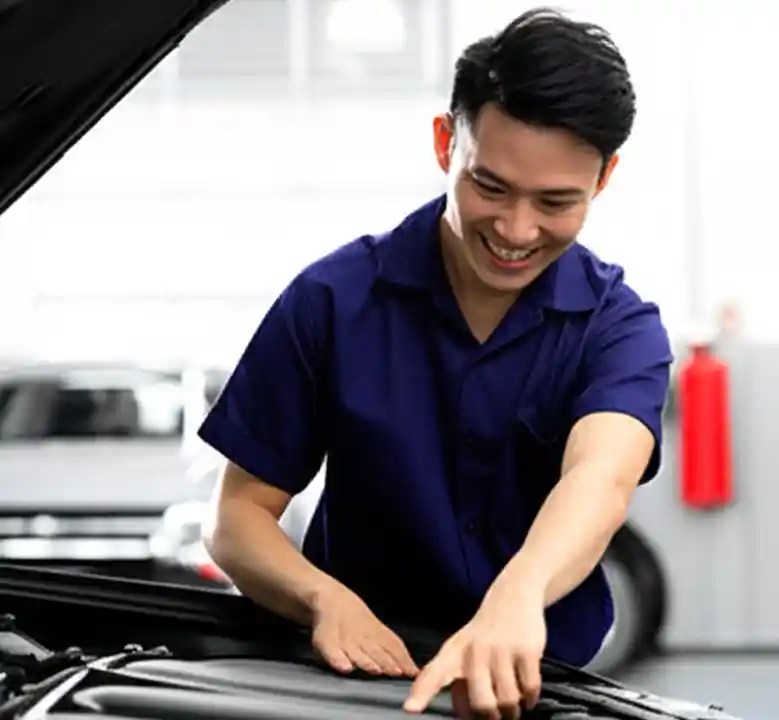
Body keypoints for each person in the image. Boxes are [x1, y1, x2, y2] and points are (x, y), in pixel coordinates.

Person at [198, 8, 672, 717]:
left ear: (603, 179)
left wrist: (516, 598)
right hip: (347, 679)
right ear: (446, 142)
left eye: (555, 202)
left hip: (537, 684)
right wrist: (323, 598)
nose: (516, 230)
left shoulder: (619, 327)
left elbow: (600, 480)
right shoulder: (331, 301)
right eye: (490, 186)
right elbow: (237, 516)